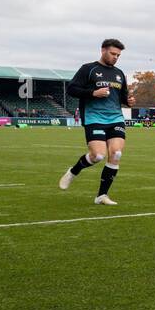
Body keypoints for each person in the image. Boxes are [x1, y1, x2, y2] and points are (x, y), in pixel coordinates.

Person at [58, 38, 135, 205]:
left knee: (116, 153)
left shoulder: (120, 74)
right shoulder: (88, 69)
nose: (116, 57)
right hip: (94, 117)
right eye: (113, 53)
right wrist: (94, 93)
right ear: (103, 50)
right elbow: (72, 89)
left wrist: (128, 101)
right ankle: (73, 171)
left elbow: (122, 97)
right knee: (98, 155)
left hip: (115, 117)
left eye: (118, 55)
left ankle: (102, 196)